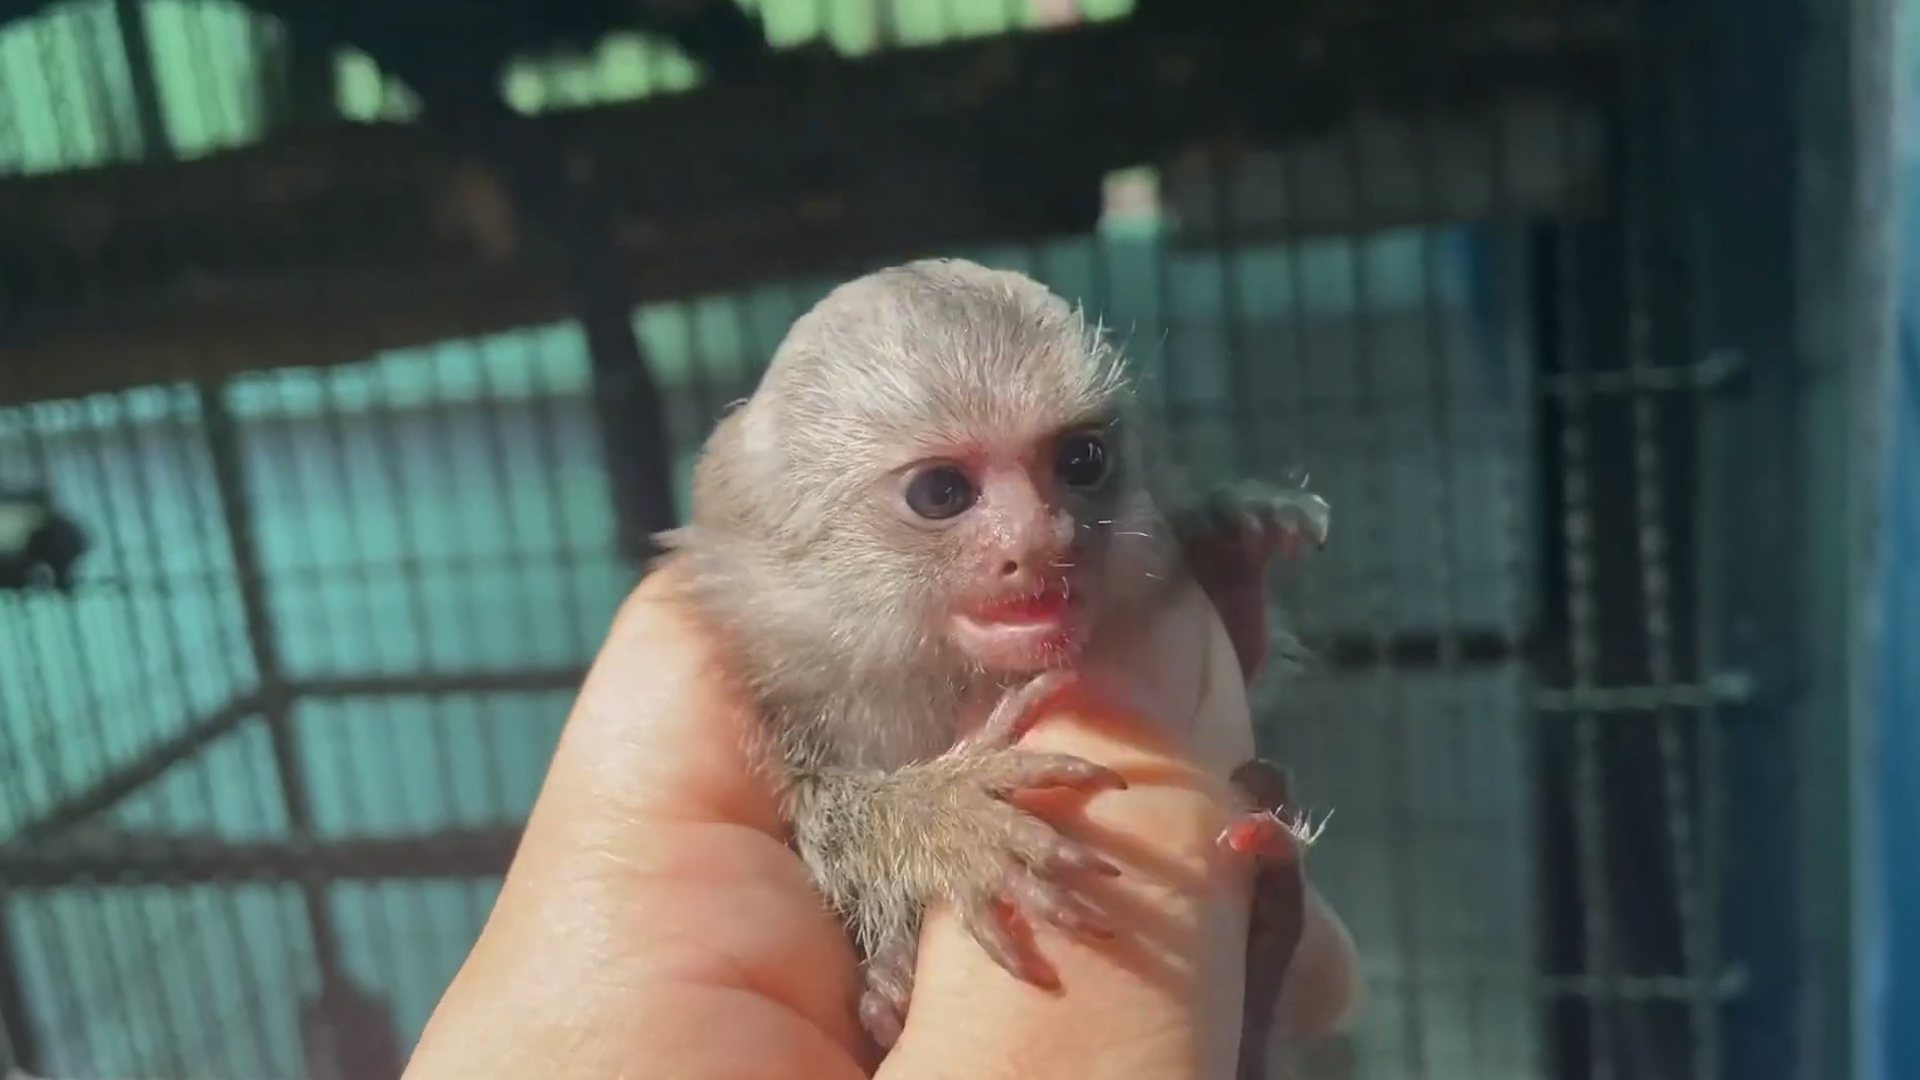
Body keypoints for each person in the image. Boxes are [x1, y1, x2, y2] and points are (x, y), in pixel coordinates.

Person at [402, 564, 1305, 1080]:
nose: (1035, 532)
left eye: (1082, 462)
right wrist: (936, 815)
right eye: (937, 494)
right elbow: (822, 822)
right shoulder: (767, 663)